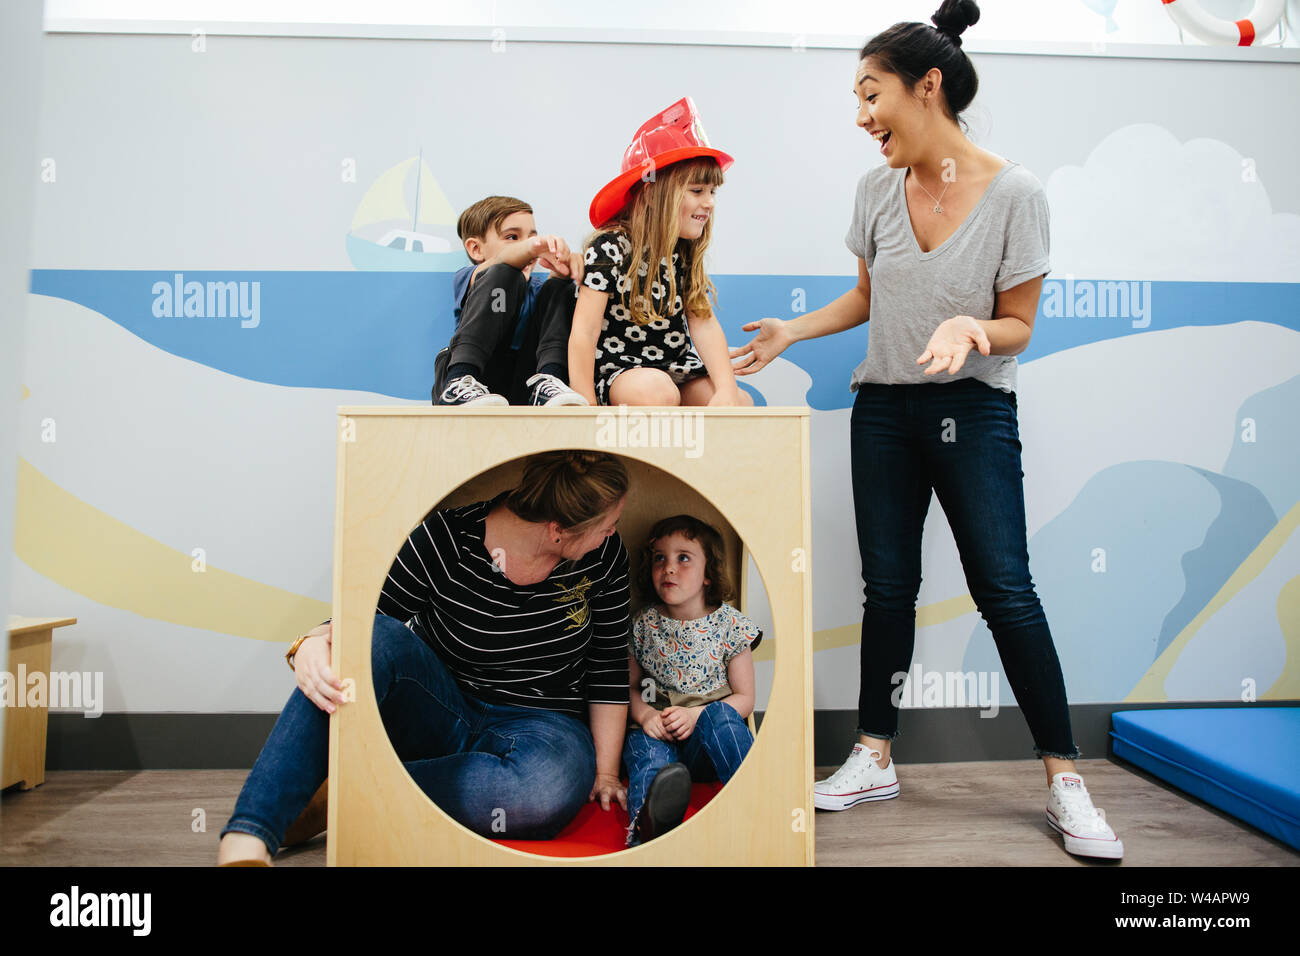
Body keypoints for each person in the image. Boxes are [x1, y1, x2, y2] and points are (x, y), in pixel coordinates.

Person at [731, 0, 1123, 860]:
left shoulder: (1017, 194)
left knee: (1005, 589)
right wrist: (795, 331)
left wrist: (973, 330)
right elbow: (872, 297)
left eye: (872, 93)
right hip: (884, 410)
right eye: (858, 98)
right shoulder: (876, 188)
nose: (862, 115)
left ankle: (1063, 776)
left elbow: (1019, 321)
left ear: (928, 87)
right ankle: (873, 754)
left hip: (973, 410)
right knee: (888, 587)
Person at [216, 451, 632, 865]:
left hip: (545, 725)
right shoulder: (447, 538)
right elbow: (369, 624)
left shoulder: (604, 558)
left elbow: (609, 663)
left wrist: (607, 773)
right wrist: (310, 641)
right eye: (607, 525)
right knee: (374, 637)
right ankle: (247, 838)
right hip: (441, 707)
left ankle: (347, 793)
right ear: (558, 530)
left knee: (542, 792)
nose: (613, 533)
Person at [570, 97, 754, 408]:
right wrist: (585, 405)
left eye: (712, 192)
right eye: (697, 191)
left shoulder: (683, 251)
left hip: (677, 368)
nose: (709, 202)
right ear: (653, 193)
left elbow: (704, 322)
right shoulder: (609, 248)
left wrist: (726, 389)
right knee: (658, 392)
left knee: (741, 403)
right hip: (622, 371)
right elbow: (584, 333)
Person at [622, 515, 759, 846]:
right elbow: (628, 688)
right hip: (657, 729)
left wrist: (697, 716)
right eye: (660, 558)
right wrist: (646, 716)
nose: (669, 568)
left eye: (683, 558)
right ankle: (647, 829)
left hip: (704, 737)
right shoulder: (643, 624)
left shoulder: (730, 626)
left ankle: (756, 802)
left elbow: (745, 698)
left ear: (708, 574)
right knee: (646, 754)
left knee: (723, 717)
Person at [433, 195, 588, 407]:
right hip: (480, 376)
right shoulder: (473, 277)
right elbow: (503, 263)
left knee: (558, 289)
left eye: (532, 237)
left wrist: (568, 268)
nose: (528, 246)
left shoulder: (538, 290)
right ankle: (458, 380)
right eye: (513, 237)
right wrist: (532, 247)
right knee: (506, 273)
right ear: (475, 249)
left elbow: (556, 294)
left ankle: (550, 383)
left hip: (522, 382)